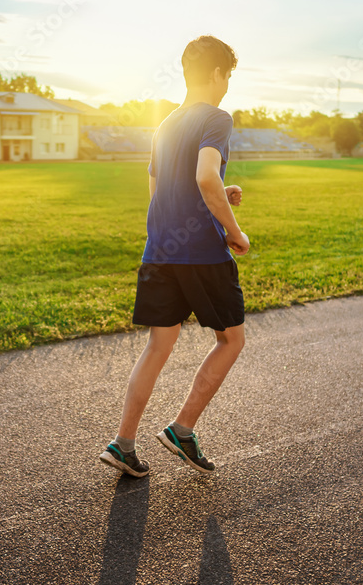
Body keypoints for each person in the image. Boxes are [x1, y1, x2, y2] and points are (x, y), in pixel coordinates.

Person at [100, 35, 249, 478]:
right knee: (231, 340)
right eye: (228, 76)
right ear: (219, 74)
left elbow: (160, 187)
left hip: (160, 250)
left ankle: (123, 444)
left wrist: (220, 194)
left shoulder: (165, 124)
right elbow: (204, 176)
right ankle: (182, 430)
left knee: (158, 345)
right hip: (202, 253)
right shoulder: (217, 118)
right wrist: (233, 230)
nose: (227, 85)